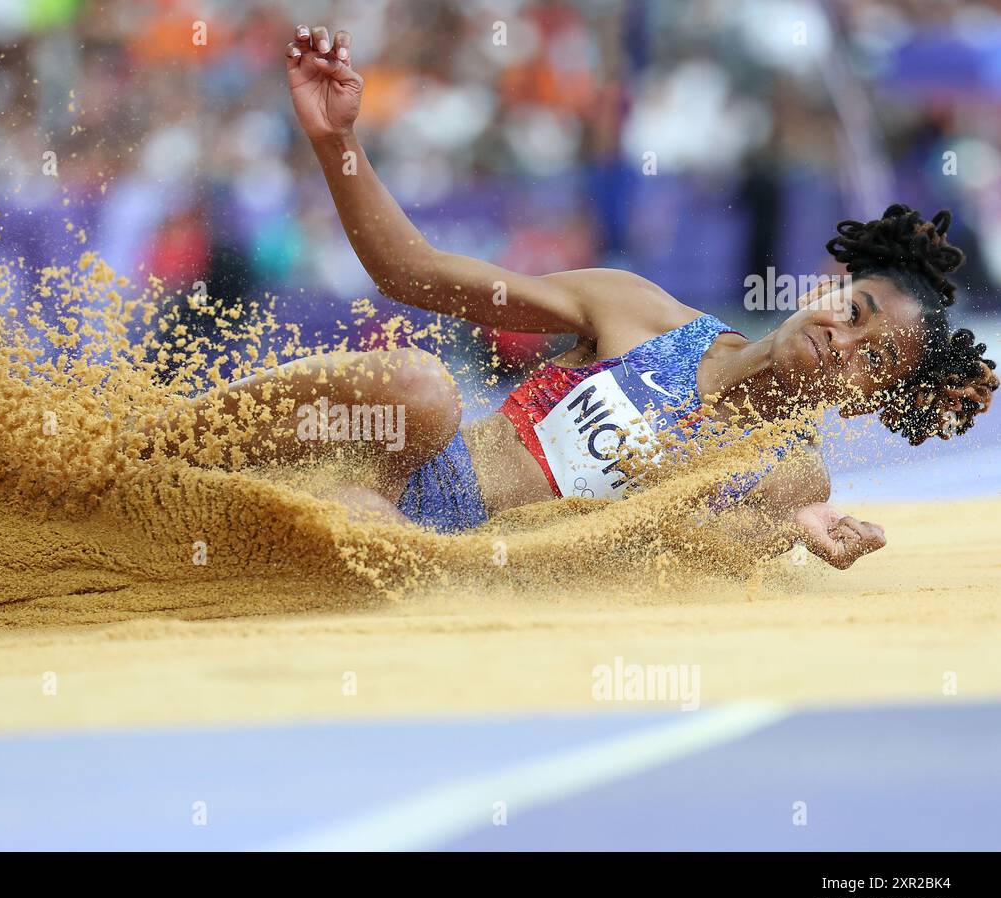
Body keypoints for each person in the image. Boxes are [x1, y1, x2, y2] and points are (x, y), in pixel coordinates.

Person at [164, 25, 997, 571]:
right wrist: (336, 141)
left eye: (874, 362)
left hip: (450, 557)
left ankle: (189, 529)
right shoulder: (633, 308)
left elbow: (683, 567)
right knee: (422, 390)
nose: (843, 343)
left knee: (362, 521)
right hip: (421, 467)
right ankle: (145, 450)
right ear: (827, 287)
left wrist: (780, 532)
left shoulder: (790, 471)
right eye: (855, 313)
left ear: (868, 399)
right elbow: (412, 275)